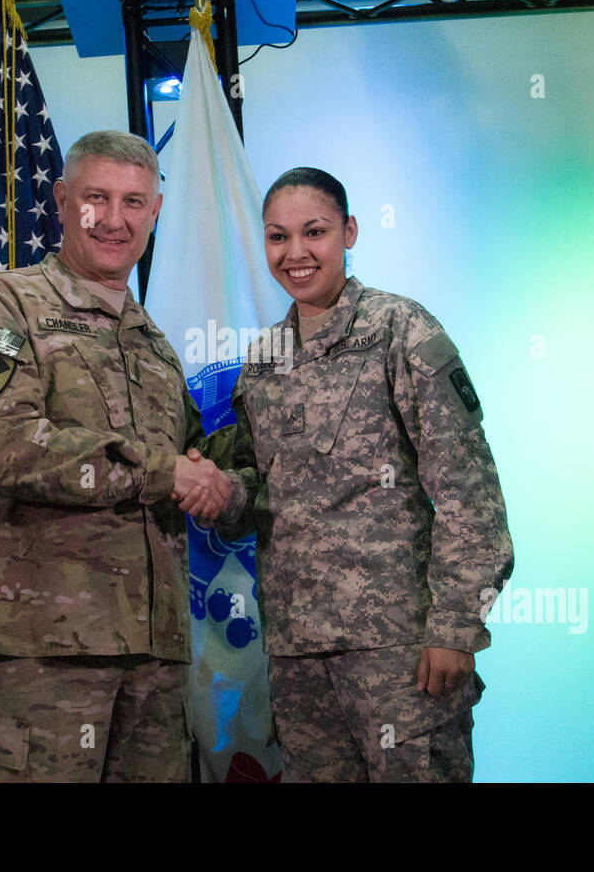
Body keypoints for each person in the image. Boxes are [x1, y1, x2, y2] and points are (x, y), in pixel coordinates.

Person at [185, 167, 514, 782]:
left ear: (349, 232)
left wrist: (456, 628)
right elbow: (264, 490)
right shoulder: (263, 361)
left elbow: (470, 493)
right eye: (278, 237)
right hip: (297, 654)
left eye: (315, 232)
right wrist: (221, 490)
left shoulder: (401, 331)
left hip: (401, 651)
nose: (296, 253)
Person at [0, 130, 231, 782]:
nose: (115, 220)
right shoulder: (2, 307)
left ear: (155, 212)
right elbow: (3, 448)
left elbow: (191, 462)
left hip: (154, 661)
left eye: (134, 202)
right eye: (97, 198)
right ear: (63, 201)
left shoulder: (154, 347)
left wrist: (222, 482)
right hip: (45, 658)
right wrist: (162, 472)